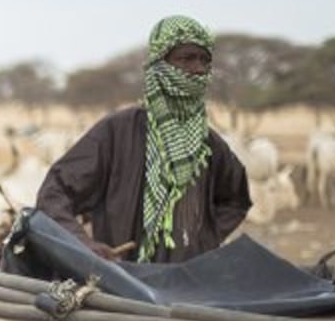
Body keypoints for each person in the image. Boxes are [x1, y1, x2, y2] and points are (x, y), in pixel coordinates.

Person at [34, 14, 252, 262]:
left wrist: (203, 241)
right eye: (186, 58)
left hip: (184, 284)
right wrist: (84, 244)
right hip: (122, 283)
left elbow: (235, 199)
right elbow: (55, 192)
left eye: (204, 60)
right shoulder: (116, 132)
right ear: (160, 64)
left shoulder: (209, 145)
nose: (198, 69)